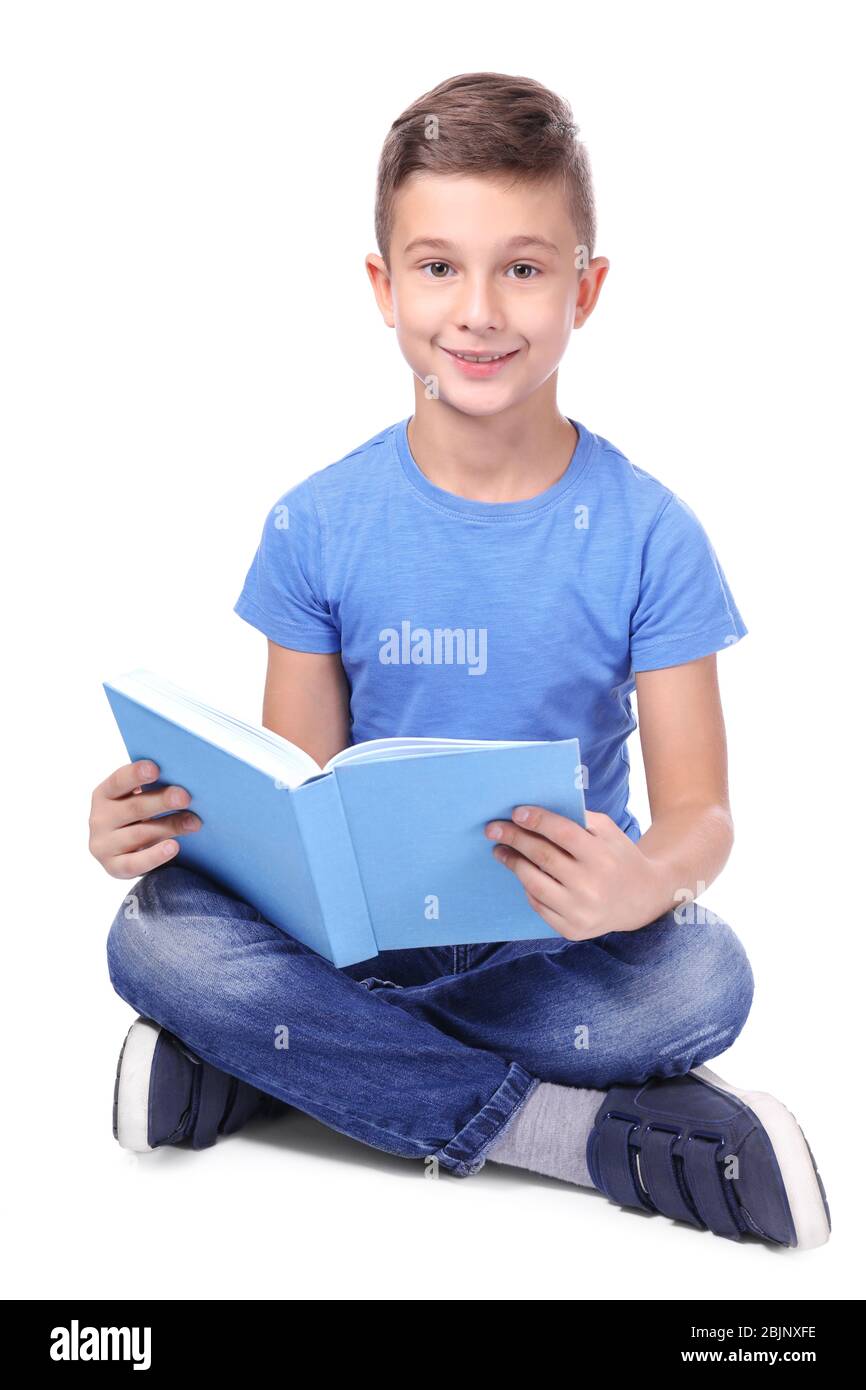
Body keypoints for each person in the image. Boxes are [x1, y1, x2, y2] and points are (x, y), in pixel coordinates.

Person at [89, 71, 830, 1249]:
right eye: (437, 266)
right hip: (365, 940)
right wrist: (169, 823)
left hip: (561, 944)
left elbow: (701, 816)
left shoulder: (648, 533)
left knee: (702, 980)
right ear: (383, 288)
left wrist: (646, 884)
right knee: (155, 930)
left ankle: (286, 1066)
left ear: (584, 290)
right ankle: (574, 1135)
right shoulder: (316, 522)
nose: (477, 311)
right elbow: (298, 797)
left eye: (523, 268)